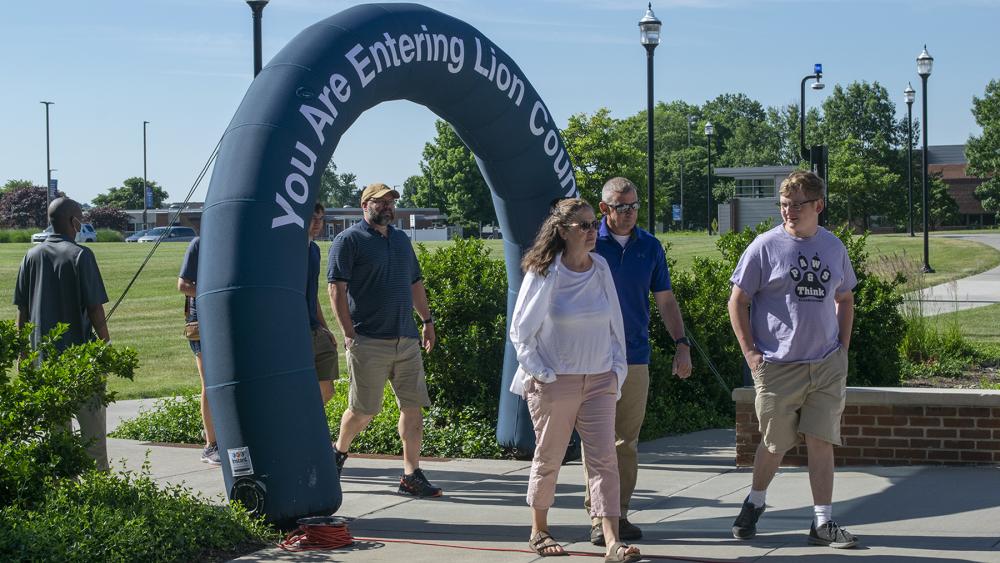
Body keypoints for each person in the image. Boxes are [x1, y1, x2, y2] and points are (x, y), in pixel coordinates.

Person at [727, 170, 859, 549]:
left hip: (826, 365)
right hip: (778, 367)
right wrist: (751, 354)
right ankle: (755, 501)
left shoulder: (834, 247)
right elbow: (737, 301)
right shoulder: (764, 247)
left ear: (818, 205)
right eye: (784, 205)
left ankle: (822, 523)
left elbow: (845, 298)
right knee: (775, 444)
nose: (790, 212)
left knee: (821, 440)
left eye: (798, 205)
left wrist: (842, 351)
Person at [509, 198, 641, 563]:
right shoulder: (544, 271)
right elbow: (520, 332)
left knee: (604, 460)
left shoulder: (600, 268)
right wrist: (542, 374)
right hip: (555, 381)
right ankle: (539, 530)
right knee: (549, 457)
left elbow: (615, 324)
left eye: (593, 224)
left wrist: (617, 371)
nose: (592, 231)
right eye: (583, 225)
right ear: (564, 231)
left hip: (600, 379)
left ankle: (612, 540)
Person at [586, 177, 693, 545]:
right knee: (598, 441)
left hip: (634, 355)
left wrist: (681, 343)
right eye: (621, 207)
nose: (629, 213)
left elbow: (665, 299)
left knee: (625, 442)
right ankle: (600, 517)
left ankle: (619, 512)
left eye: (634, 206)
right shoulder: (587, 242)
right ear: (604, 209)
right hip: (592, 357)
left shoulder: (649, 246)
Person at [327, 183, 441, 497]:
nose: (389, 207)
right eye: (382, 202)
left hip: (405, 339)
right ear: (365, 205)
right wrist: (349, 333)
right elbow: (336, 288)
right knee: (364, 410)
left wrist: (427, 321)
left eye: (392, 202)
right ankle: (338, 452)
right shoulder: (348, 240)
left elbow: (415, 282)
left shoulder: (402, 240)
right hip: (368, 339)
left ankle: (411, 474)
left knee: (413, 407)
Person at [14, 197, 111, 470]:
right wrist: (106, 345)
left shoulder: (30, 256)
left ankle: (63, 492)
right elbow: (95, 309)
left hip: (44, 363)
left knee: (57, 439)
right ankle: (99, 492)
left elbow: (22, 311)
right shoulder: (81, 255)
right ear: (73, 221)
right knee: (93, 437)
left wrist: (24, 353)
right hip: (81, 364)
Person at [178, 236, 221, 465]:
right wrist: (215, 295)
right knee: (209, 383)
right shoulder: (199, 244)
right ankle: (210, 445)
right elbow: (183, 285)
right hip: (202, 322)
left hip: (226, 320)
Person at [307, 203, 338, 403]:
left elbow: (312, 294)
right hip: (295, 331)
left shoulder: (315, 250)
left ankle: (307, 430)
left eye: (321, 219)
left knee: (327, 391)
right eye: (313, 218)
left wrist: (325, 328)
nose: (318, 223)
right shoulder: (289, 250)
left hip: (315, 329)